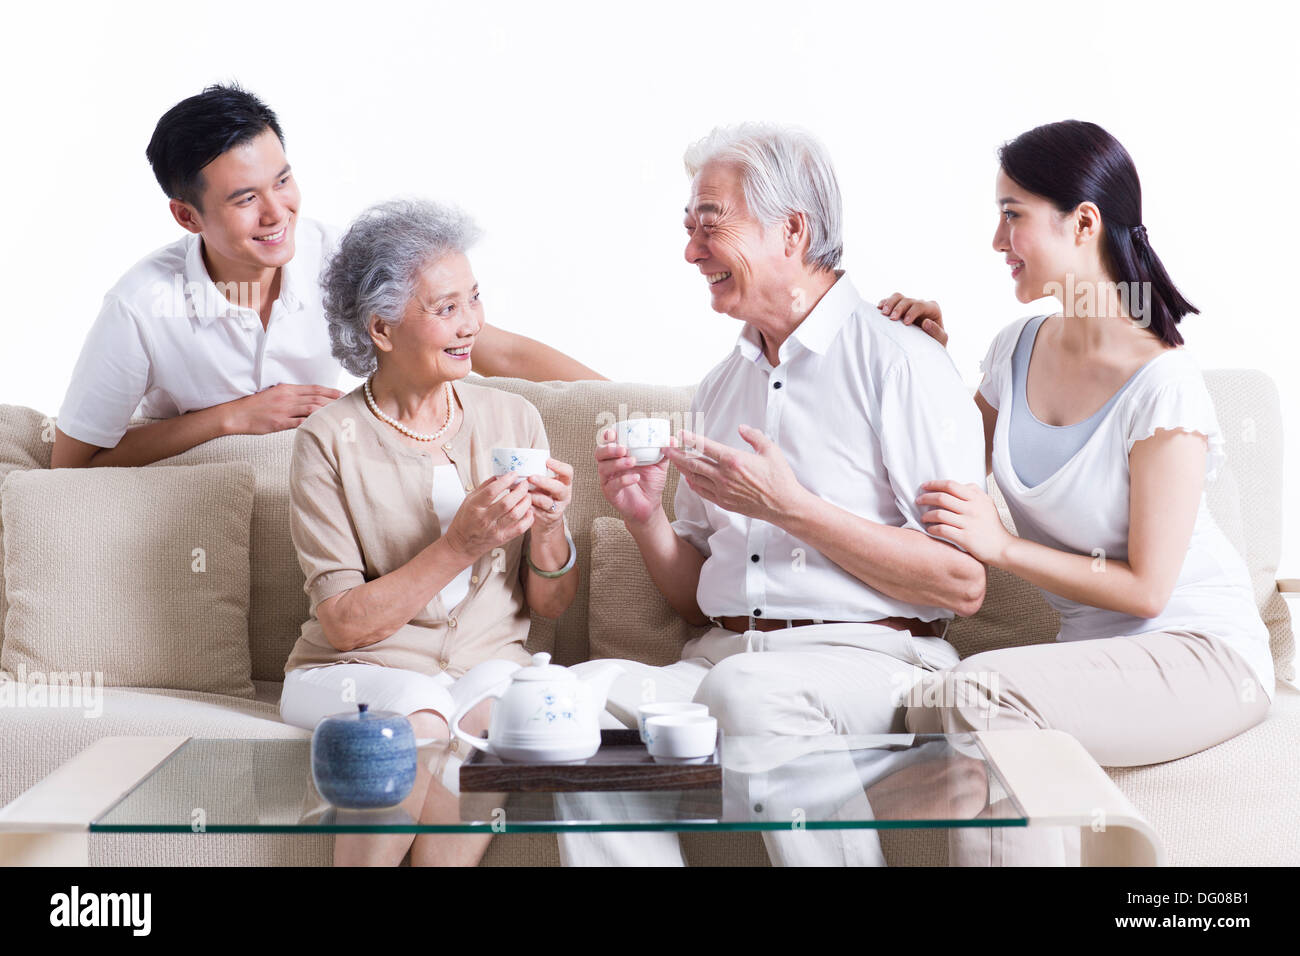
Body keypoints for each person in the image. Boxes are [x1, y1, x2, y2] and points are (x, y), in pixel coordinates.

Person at [560, 123, 988, 867]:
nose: (691, 251)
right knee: (570, 708)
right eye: (687, 228)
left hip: (872, 661)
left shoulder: (903, 364)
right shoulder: (722, 386)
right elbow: (699, 601)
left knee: (751, 693)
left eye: (710, 225)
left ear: (792, 230)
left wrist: (790, 508)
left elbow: (962, 581)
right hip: (724, 661)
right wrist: (644, 520)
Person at [882, 119, 1274, 865]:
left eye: (1012, 214)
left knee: (974, 691)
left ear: (1083, 221)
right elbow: (941, 471)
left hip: (1203, 655)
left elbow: (1148, 590)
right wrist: (925, 363)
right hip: (1092, 659)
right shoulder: (1013, 351)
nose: (998, 241)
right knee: (949, 702)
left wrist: (1002, 546)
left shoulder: (1163, 387)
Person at [52, 84, 601, 469]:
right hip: (197, 497)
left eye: (283, 181)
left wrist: (628, 402)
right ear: (187, 216)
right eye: (245, 199)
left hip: (322, 484)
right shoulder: (140, 305)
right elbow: (73, 464)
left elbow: (483, 346)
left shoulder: (339, 254)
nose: (277, 213)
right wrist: (229, 418)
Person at [277, 198, 579, 866]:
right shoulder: (328, 440)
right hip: (354, 669)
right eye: (445, 308)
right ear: (381, 330)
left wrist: (552, 525)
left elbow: (551, 606)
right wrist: (458, 547)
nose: (471, 323)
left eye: (473, 299)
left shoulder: (514, 418)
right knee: (416, 707)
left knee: (505, 703)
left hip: (482, 666)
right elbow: (345, 625)